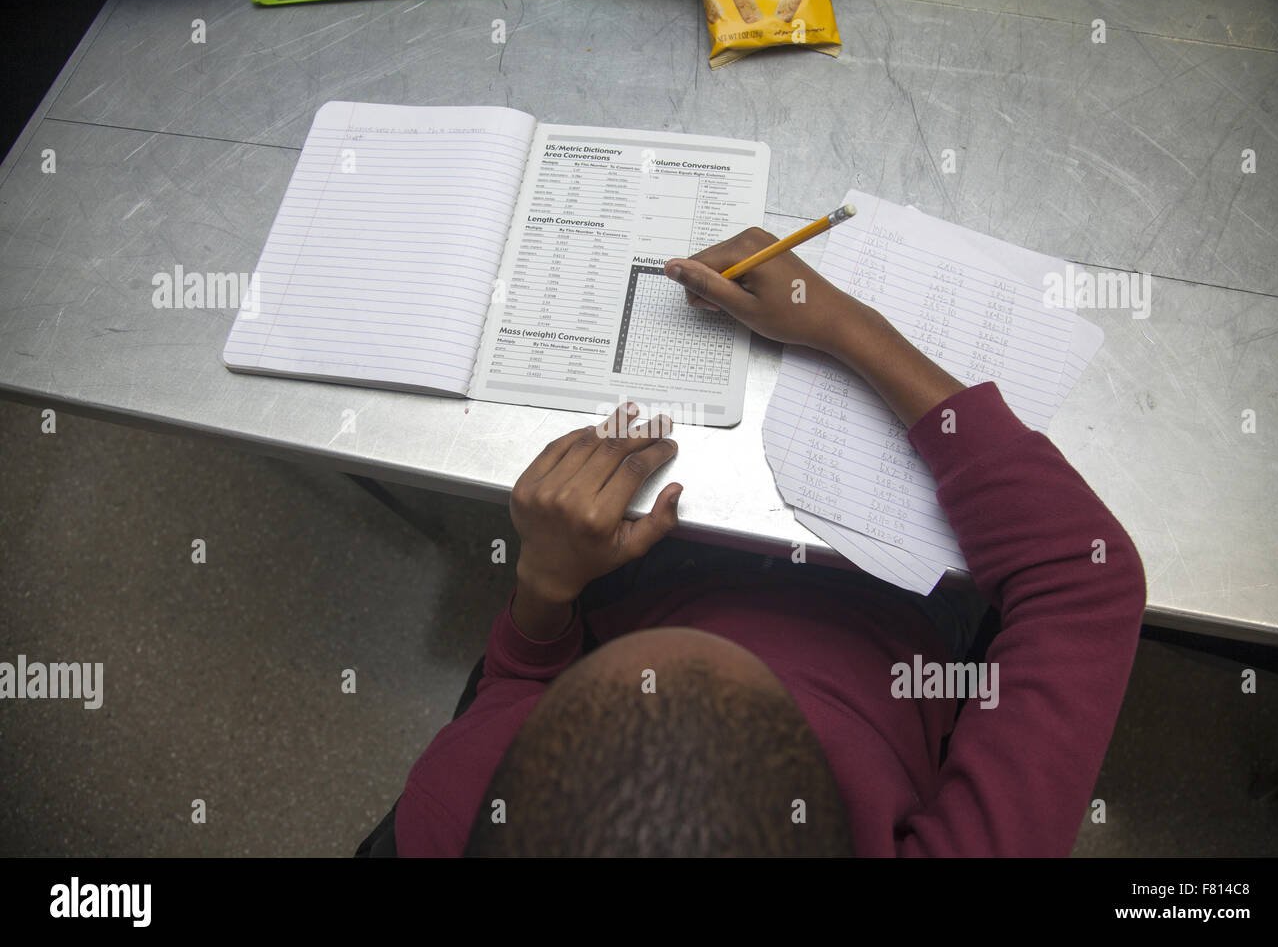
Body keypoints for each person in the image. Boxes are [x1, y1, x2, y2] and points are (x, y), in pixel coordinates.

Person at [391, 228, 1147, 856]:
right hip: (897, 615)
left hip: (636, 577)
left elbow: (513, 686)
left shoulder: (446, 814)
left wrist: (546, 590)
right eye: (766, 704)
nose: (729, 648)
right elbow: (1084, 579)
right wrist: (851, 328)